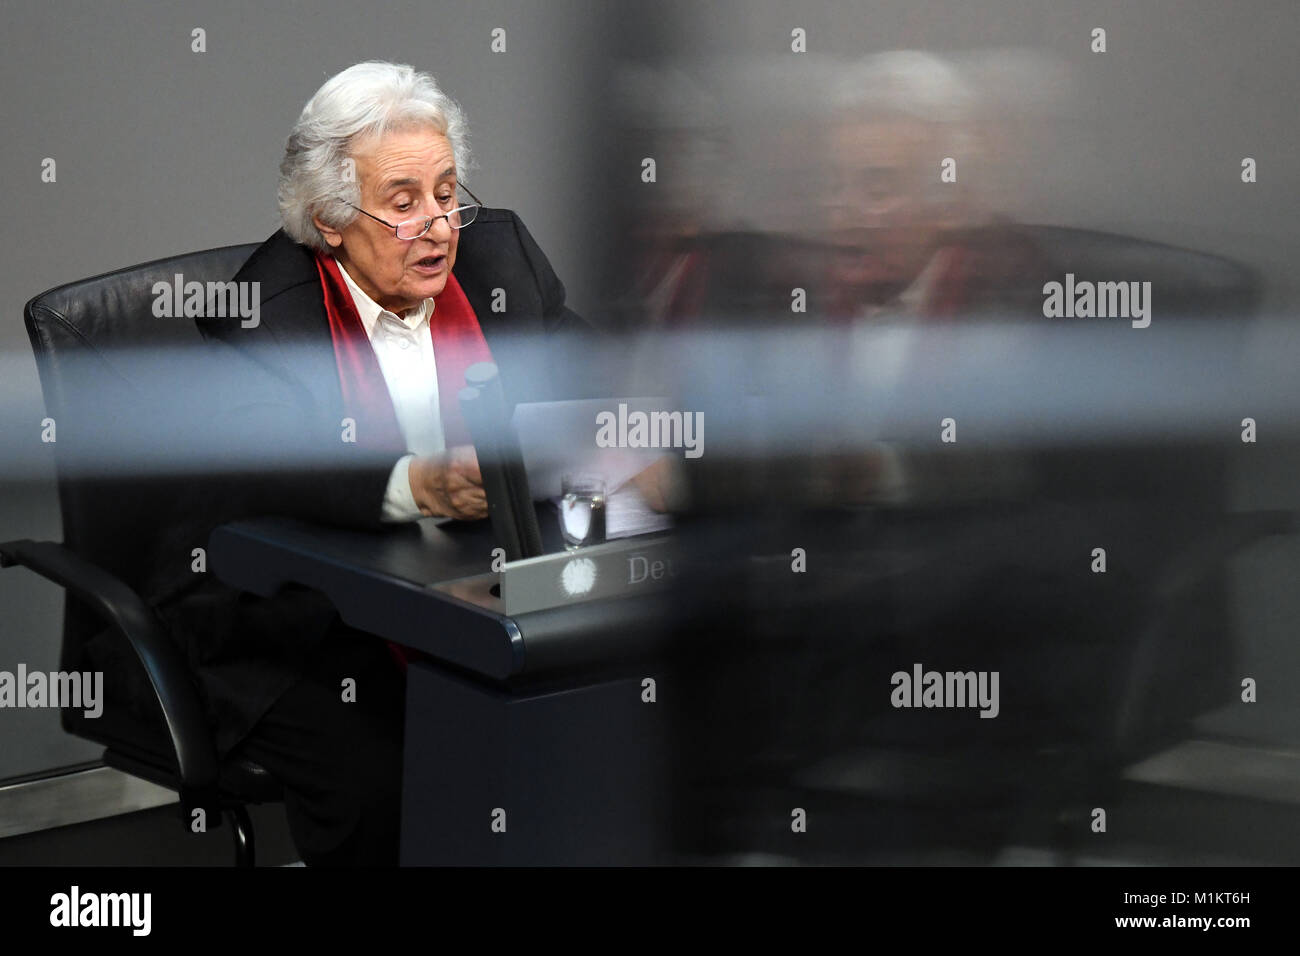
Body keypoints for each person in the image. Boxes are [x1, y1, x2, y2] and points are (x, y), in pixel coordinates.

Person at [136, 61, 599, 865]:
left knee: (600, 722)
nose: (440, 225)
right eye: (403, 203)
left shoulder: (501, 259)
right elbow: (280, 469)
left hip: (482, 589)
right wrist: (414, 484)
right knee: (391, 777)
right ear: (330, 218)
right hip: (299, 621)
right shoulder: (262, 319)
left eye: (448, 193)